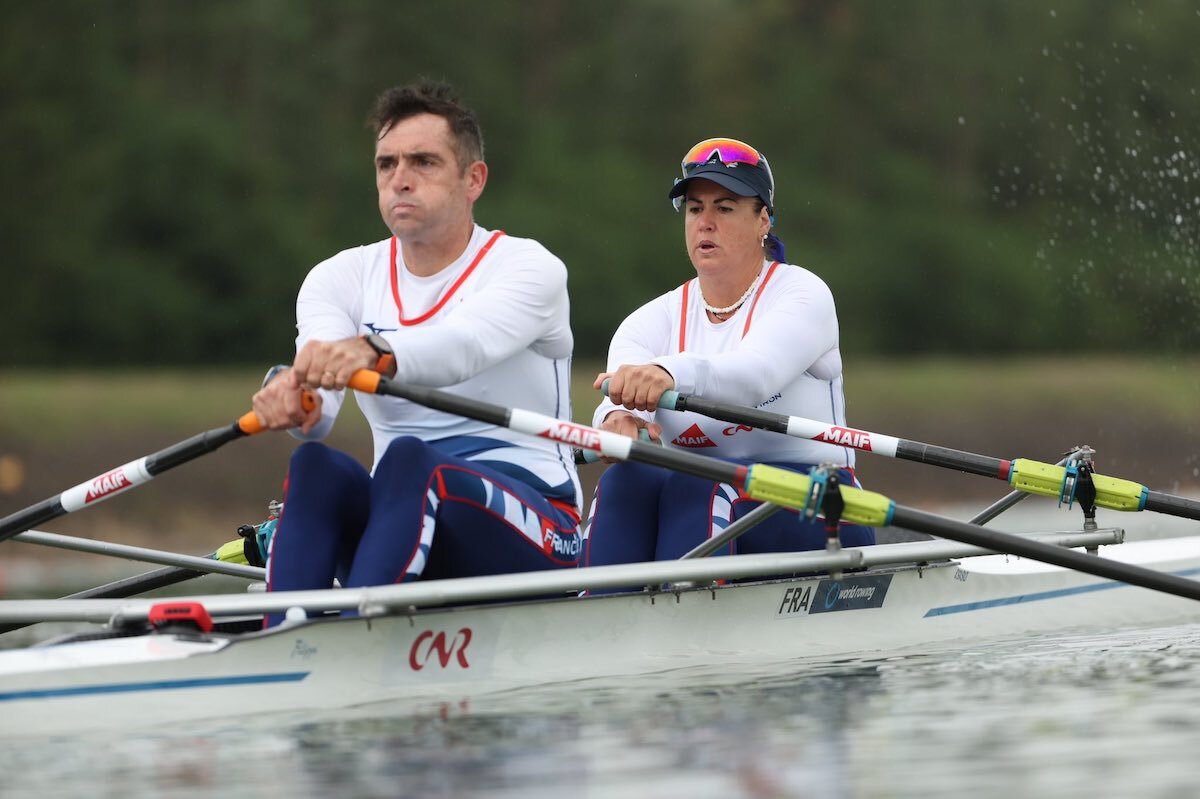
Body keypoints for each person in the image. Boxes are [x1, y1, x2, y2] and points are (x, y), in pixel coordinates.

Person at [251, 80, 582, 625]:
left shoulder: (530, 269)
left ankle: (351, 642)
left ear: (473, 179)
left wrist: (373, 351)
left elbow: (465, 346)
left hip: (540, 528)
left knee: (411, 460)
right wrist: (298, 399)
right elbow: (319, 415)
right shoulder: (339, 278)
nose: (399, 180)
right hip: (402, 516)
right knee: (315, 466)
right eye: (386, 165)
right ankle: (287, 637)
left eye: (423, 162)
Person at [583, 137, 875, 568]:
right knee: (625, 480)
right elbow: (619, 399)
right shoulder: (650, 321)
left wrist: (667, 371)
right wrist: (616, 420)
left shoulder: (802, 294)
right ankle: (597, 616)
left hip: (821, 503)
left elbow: (753, 375)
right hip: (710, 503)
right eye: (696, 208)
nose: (705, 222)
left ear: (763, 220)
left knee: (701, 486)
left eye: (724, 207)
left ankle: (688, 618)